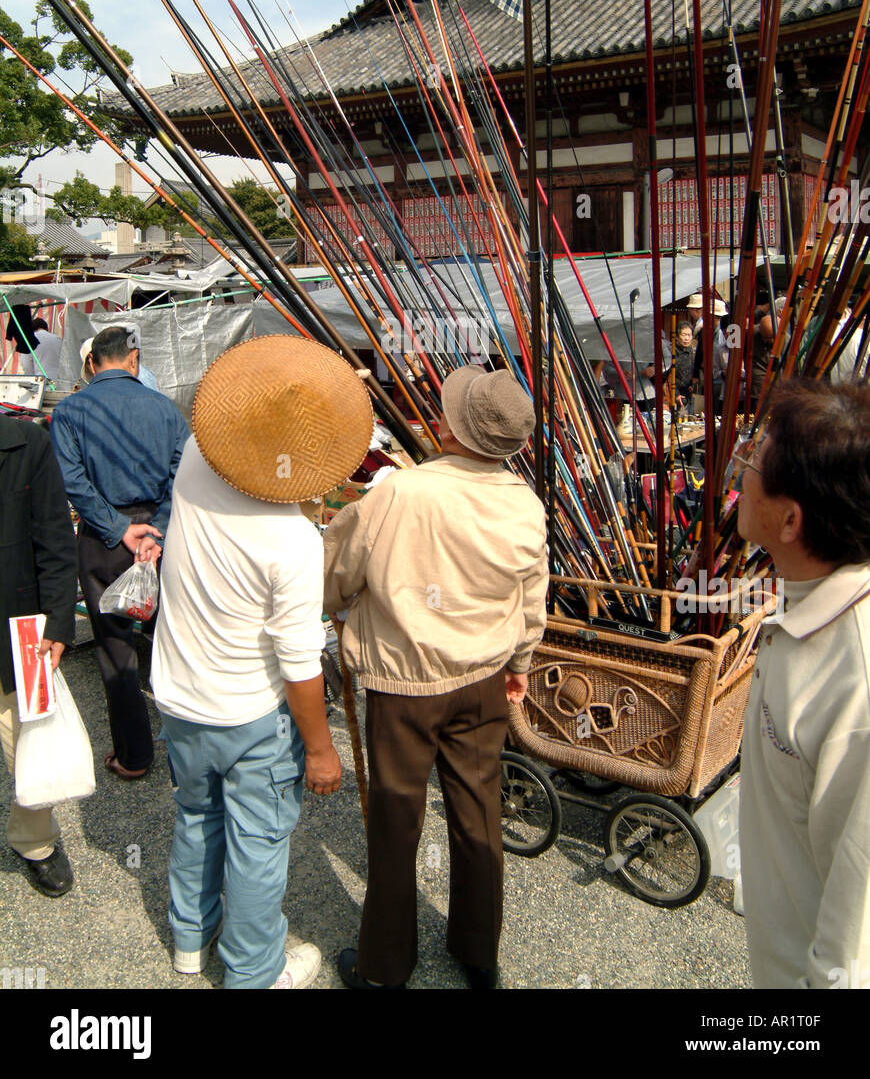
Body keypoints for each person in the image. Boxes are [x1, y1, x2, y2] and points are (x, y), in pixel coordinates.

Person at [151, 336, 368, 989]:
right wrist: (322, 751)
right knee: (257, 846)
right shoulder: (294, 543)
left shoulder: (196, 459)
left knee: (197, 815)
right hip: (250, 712)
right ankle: (254, 971)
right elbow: (301, 661)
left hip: (177, 693)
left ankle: (190, 939)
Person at [324, 365, 548, 990]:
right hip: (484, 677)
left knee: (397, 821)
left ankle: (384, 967)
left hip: (406, 684)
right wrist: (522, 664)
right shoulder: (523, 502)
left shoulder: (402, 492)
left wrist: (338, 601)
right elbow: (532, 595)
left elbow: (337, 570)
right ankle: (479, 955)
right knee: (478, 816)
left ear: (453, 427)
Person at [735, 379, 870, 988]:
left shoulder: (857, 673)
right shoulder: (805, 605)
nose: (739, 473)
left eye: (753, 463)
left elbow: (856, 934)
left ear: (791, 520)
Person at [50, 325, 188, 779]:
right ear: (134, 360)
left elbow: (72, 482)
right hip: (160, 540)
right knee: (175, 639)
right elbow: (181, 476)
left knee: (115, 648)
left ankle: (135, 756)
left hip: (102, 540)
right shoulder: (165, 409)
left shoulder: (70, 411)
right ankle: (188, 752)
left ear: (91, 364)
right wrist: (157, 533)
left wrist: (118, 529)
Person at [0, 414, 78, 895]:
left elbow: (54, 535)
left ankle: (35, 841)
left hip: (17, 627)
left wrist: (59, 620)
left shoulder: (26, 441)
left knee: (27, 741)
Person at [673, 321, 696, 410]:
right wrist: (675, 394)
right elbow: (669, 376)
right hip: (674, 392)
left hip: (688, 392)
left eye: (689, 335)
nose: (686, 338)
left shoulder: (691, 351)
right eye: (684, 335)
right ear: (677, 336)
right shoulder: (672, 351)